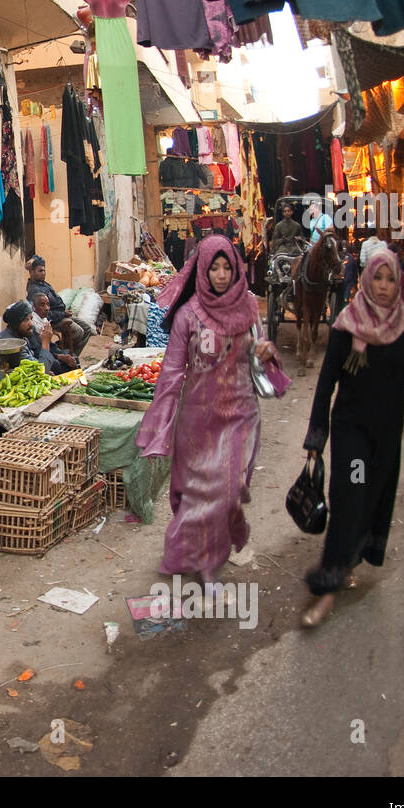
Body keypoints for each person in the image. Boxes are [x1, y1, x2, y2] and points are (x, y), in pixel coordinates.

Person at [135, 235, 280, 599]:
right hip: (198, 422)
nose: (219, 274)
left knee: (228, 493)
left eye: (226, 266)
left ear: (235, 269)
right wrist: (159, 426)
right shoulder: (188, 316)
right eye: (213, 267)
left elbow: (262, 361)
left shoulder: (248, 306)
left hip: (242, 417)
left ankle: (211, 555)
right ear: (202, 269)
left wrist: (266, 353)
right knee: (200, 497)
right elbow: (171, 374)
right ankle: (206, 566)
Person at [300, 250, 404, 627]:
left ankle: (346, 560)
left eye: (390, 279)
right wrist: (317, 434)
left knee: (372, 497)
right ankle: (328, 585)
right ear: (365, 279)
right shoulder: (349, 323)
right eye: (377, 278)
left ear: (399, 284)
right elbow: (327, 380)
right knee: (349, 494)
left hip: (386, 434)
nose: (382, 286)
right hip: (351, 430)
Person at [26, 255, 93, 354]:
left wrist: (63, 312)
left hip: (61, 314)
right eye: (40, 271)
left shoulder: (43, 284)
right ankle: (62, 352)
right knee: (78, 332)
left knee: (87, 328)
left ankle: (73, 355)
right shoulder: (35, 290)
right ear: (31, 272)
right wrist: (63, 314)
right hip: (52, 320)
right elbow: (45, 313)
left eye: (44, 271)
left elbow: (37, 258)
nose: (43, 273)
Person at [0, 299, 76, 374]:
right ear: (16, 322)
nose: (31, 324)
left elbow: (34, 361)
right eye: (26, 319)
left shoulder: (21, 334)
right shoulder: (12, 344)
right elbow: (41, 369)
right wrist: (46, 342)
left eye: (31, 319)